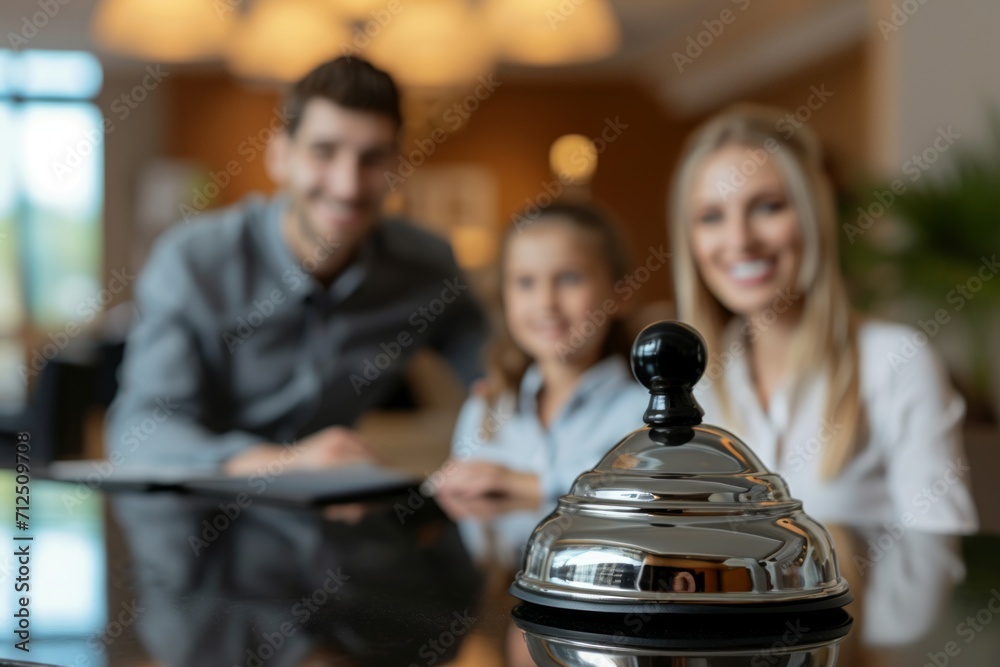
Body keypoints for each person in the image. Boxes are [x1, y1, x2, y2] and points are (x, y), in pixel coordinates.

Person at [106, 56, 487, 474]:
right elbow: (140, 430)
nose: (347, 185)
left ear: (397, 167)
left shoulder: (427, 267)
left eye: (372, 158)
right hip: (199, 517)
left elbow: (502, 374)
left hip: (336, 521)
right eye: (324, 152)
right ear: (280, 156)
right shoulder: (193, 261)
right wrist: (283, 464)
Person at [668, 103, 977, 533]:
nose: (739, 240)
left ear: (814, 216)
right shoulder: (690, 384)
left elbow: (936, 561)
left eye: (768, 207)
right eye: (711, 216)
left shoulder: (894, 360)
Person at [433, 201, 650, 519]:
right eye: (525, 282)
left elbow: (645, 494)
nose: (545, 301)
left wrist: (526, 484)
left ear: (620, 293)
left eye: (570, 278)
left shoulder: (645, 412)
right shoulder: (485, 410)